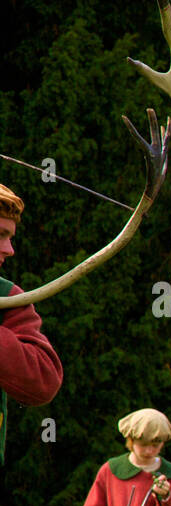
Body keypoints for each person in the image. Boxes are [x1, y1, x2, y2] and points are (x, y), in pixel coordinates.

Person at [0, 182, 62, 465]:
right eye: (0, 235)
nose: (9, 249)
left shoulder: (8, 297)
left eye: (9, 237)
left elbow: (43, 379)